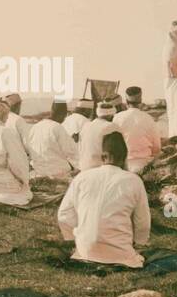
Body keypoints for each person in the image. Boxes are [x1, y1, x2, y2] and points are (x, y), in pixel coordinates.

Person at [57, 132, 151, 268]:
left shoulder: (82, 177)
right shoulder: (134, 181)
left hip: (85, 252)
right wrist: (139, 243)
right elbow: (143, 223)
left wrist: (74, 238)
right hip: (120, 254)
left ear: (102, 156)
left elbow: (64, 215)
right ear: (125, 157)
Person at [113, 87, 162, 173]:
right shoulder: (148, 118)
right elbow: (157, 148)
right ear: (141, 100)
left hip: (122, 165)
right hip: (144, 165)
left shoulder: (117, 118)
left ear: (126, 101)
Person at [29, 101, 79, 179]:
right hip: (58, 174)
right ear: (63, 114)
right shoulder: (57, 127)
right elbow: (71, 152)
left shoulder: (35, 127)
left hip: (38, 173)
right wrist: (80, 168)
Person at [77, 101, 119, 170]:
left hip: (83, 168)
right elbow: (117, 153)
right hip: (99, 169)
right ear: (111, 115)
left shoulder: (86, 125)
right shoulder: (111, 126)